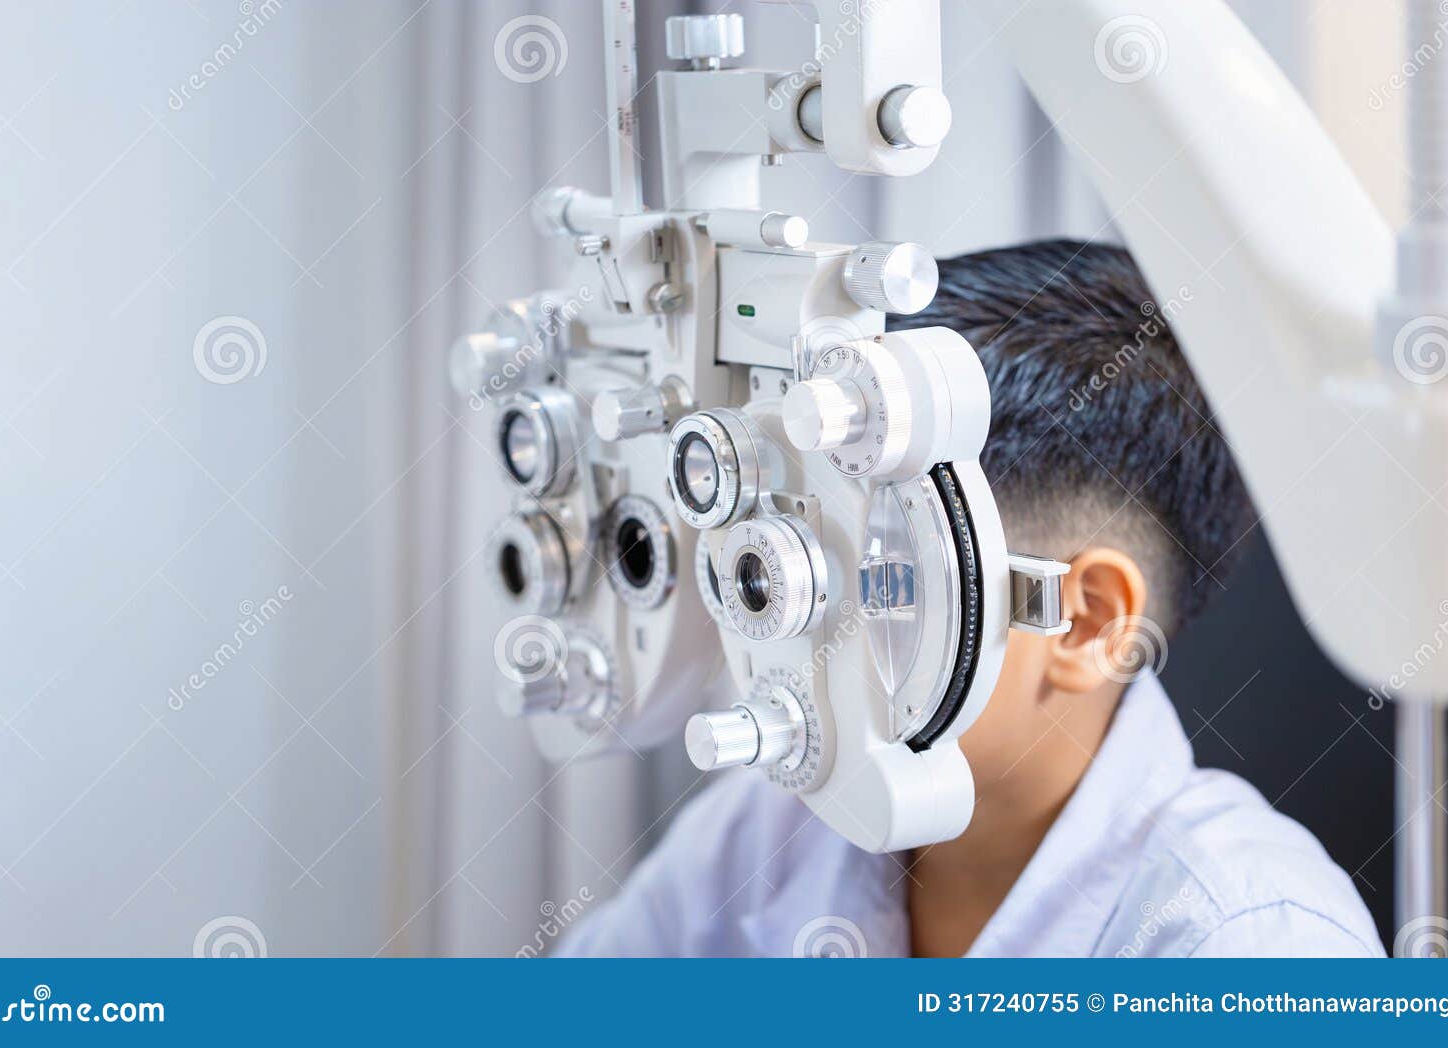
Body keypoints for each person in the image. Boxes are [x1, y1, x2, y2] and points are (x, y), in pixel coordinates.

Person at [557, 240, 1382, 958]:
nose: (799, 619)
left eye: (881, 566)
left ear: (1084, 622)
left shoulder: (1249, 943)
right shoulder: (771, 831)